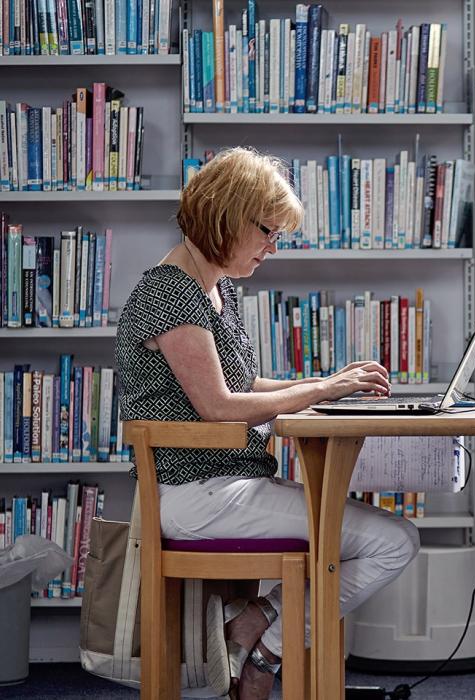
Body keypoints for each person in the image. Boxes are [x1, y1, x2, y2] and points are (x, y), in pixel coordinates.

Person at [115, 147, 420, 699]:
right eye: (267, 232)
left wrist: (329, 381)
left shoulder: (212, 287)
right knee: (394, 542)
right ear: (226, 216)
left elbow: (242, 389)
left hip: (228, 485)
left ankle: (258, 623)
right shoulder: (168, 291)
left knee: (383, 538)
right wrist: (323, 390)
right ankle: (266, 649)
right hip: (198, 493)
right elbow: (219, 408)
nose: (272, 248)